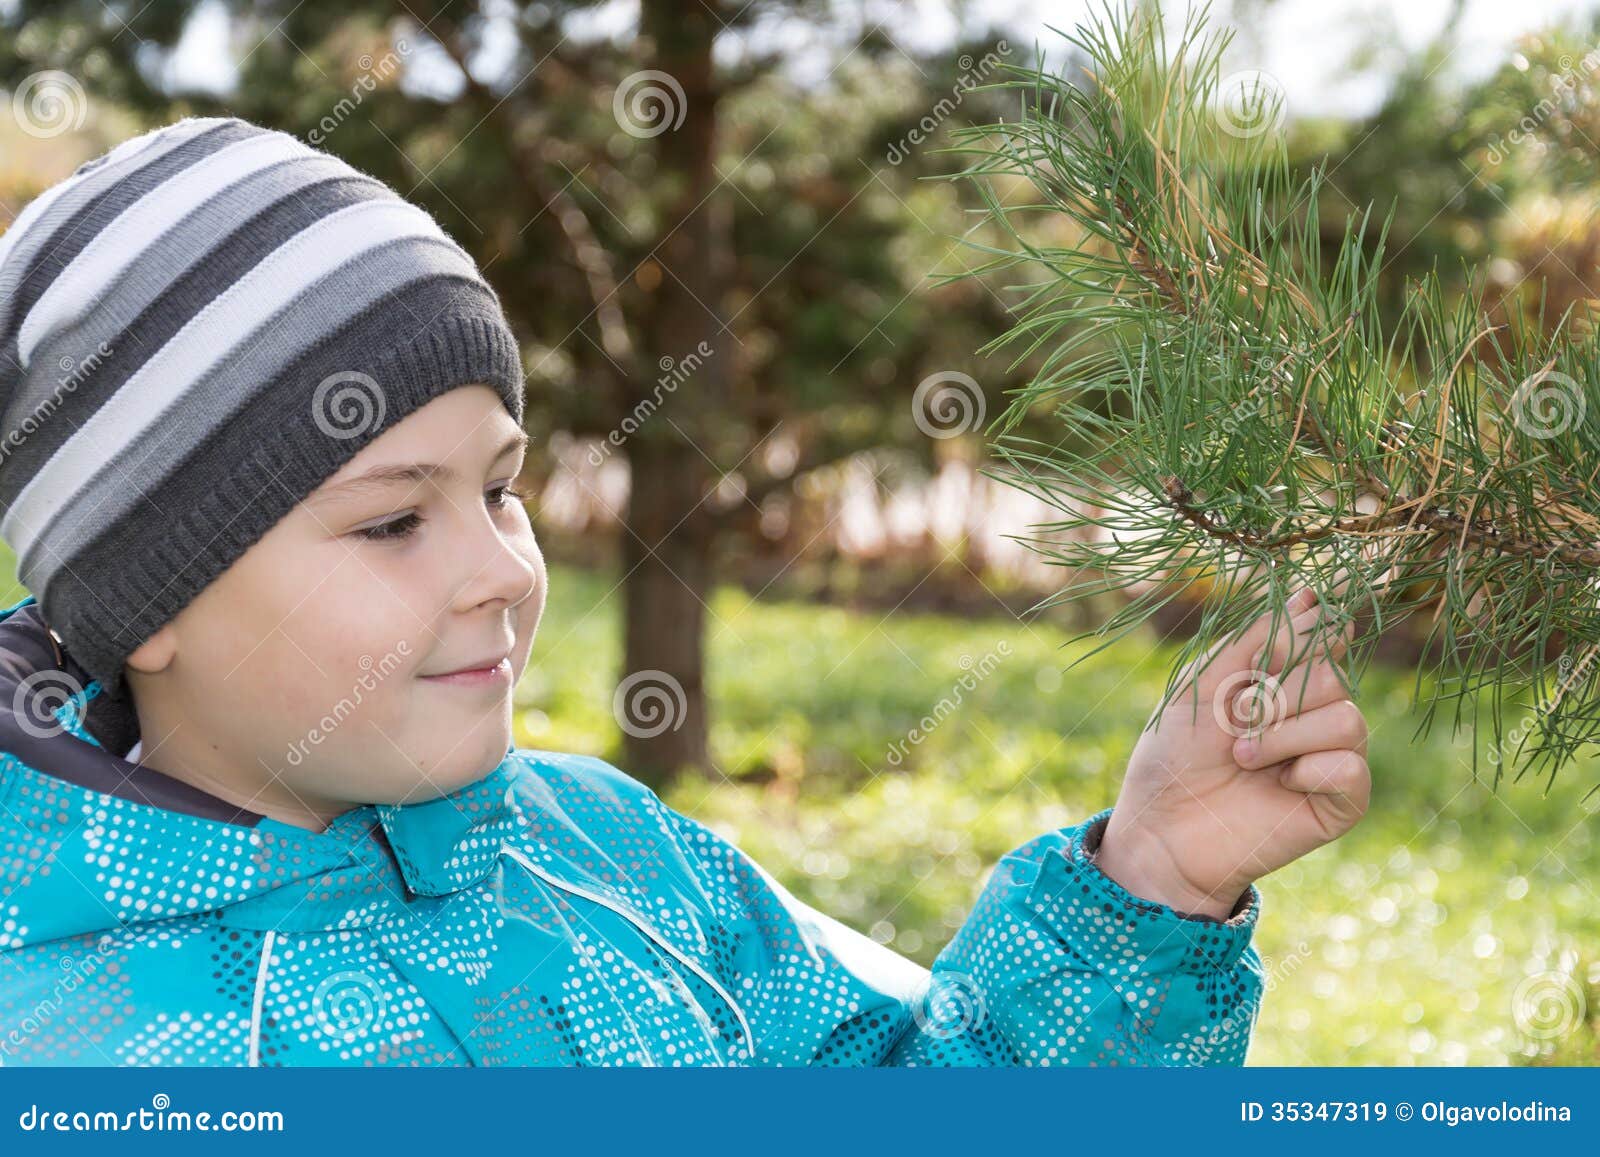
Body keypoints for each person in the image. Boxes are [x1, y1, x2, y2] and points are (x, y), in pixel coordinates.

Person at [0, 117, 1369, 1066]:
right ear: (151, 600)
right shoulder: (79, 1044)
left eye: (499, 487)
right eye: (393, 519)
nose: (497, 568)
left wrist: (1150, 884)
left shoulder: (611, 857)